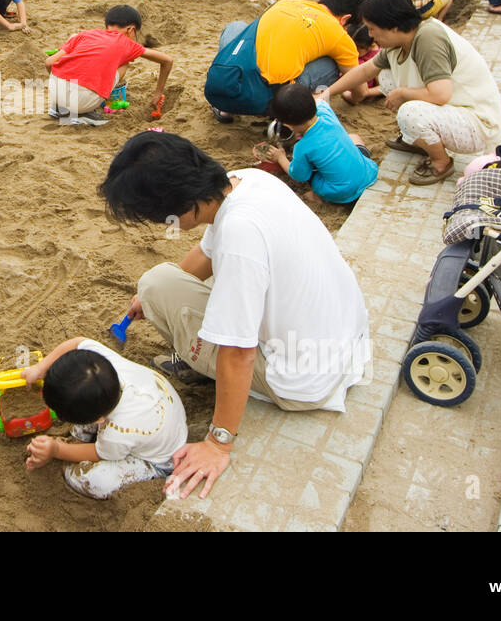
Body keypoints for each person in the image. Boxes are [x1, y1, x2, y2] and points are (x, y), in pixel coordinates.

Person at [101, 132, 370, 500]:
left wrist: (218, 444)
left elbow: (238, 351)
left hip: (302, 376)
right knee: (156, 286)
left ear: (183, 205)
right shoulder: (246, 181)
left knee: (159, 287)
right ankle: (173, 317)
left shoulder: (240, 235)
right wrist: (156, 297)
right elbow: (205, 253)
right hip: (339, 333)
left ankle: (200, 371)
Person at [321, 0, 501, 186]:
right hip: (453, 110)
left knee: (410, 112)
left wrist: (403, 93)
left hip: (477, 123)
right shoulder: (399, 41)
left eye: (373, 28)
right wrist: (326, 94)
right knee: (388, 75)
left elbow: (441, 94)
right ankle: (420, 140)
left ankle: (441, 162)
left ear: (393, 26)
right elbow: (365, 71)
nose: (371, 35)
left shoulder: (428, 38)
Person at [21, 337, 187, 500]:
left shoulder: (118, 432)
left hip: (161, 459)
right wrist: (40, 368)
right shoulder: (99, 365)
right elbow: (77, 342)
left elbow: (99, 453)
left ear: (99, 420)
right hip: (160, 406)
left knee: (93, 480)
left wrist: (57, 450)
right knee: (81, 397)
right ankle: (77, 439)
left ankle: (74, 449)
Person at [205, 0, 364, 121]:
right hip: (268, 102)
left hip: (222, 89)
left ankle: (225, 110)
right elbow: (359, 87)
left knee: (237, 27)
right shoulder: (338, 33)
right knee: (330, 65)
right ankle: (286, 115)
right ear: (345, 19)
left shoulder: (284, 3)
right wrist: (351, 97)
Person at [46, 4, 172, 124]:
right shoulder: (127, 43)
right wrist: (158, 94)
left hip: (55, 91)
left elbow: (49, 62)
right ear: (131, 30)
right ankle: (84, 113)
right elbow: (167, 60)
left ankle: (60, 106)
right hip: (81, 102)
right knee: (125, 62)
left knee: (75, 45)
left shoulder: (85, 34)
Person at [257, 83, 378, 204]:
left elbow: (299, 176)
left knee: (312, 175)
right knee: (353, 137)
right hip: (367, 174)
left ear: (287, 125)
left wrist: (280, 158)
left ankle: (317, 197)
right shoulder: (325, 112)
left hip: (341, 192)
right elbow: (319, 101)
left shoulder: (302, 147)